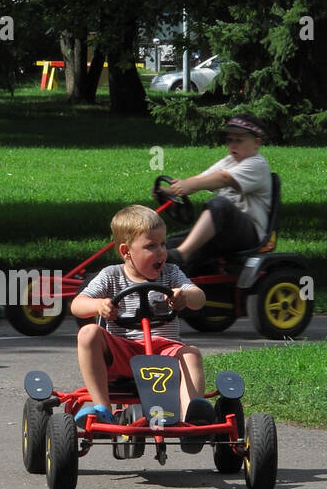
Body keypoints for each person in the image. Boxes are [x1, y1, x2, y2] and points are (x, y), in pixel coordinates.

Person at [71, 204, 215, 435]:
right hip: (124, 352)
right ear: (126, 251)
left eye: (163, 244)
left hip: (165, 351)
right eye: (151, 246)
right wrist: (99, 305)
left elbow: (199, 298)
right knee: (88, 333)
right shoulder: (111, 276)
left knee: (191, 353)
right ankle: (102, 408)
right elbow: (77, 305)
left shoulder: (171, 273)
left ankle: (192, 417)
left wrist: (185, 295)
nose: (161, 252)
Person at [164, 113, 272, 265]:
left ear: (256, 142)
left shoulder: (257, 164)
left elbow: (224, 178)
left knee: (219, 204)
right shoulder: (229, 161)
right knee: (168, 245)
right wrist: (168, 191)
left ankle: (183, 254)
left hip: (250, 234)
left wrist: (191, 185)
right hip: (224, 230)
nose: (232, 145)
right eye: (229, 140)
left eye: (239, 140)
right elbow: (201, 180)